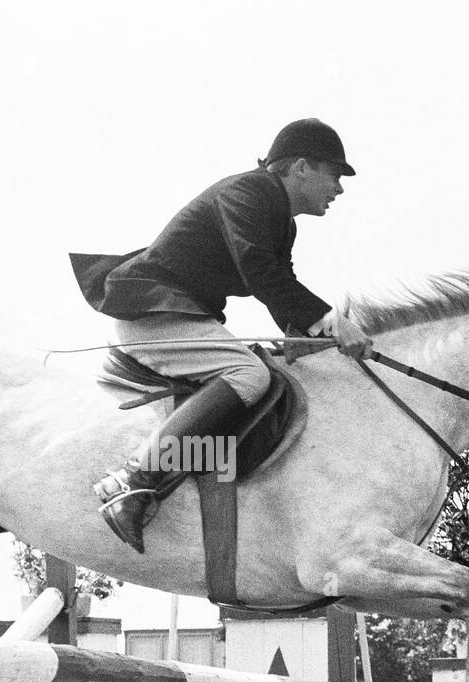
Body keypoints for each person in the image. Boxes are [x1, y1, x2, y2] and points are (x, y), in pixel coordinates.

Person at [71, 118, 374, 553]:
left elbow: (278, 286)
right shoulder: (248, 194)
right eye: (335, 175)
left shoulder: (280, 219)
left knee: (261, 371)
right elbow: (263, 275)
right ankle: (132, 481)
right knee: (251, 376)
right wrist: (330, 320)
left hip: (178, 313)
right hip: (153, 311)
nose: (339, 189)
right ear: (302, 167)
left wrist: (308, 341)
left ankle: (191, 467)